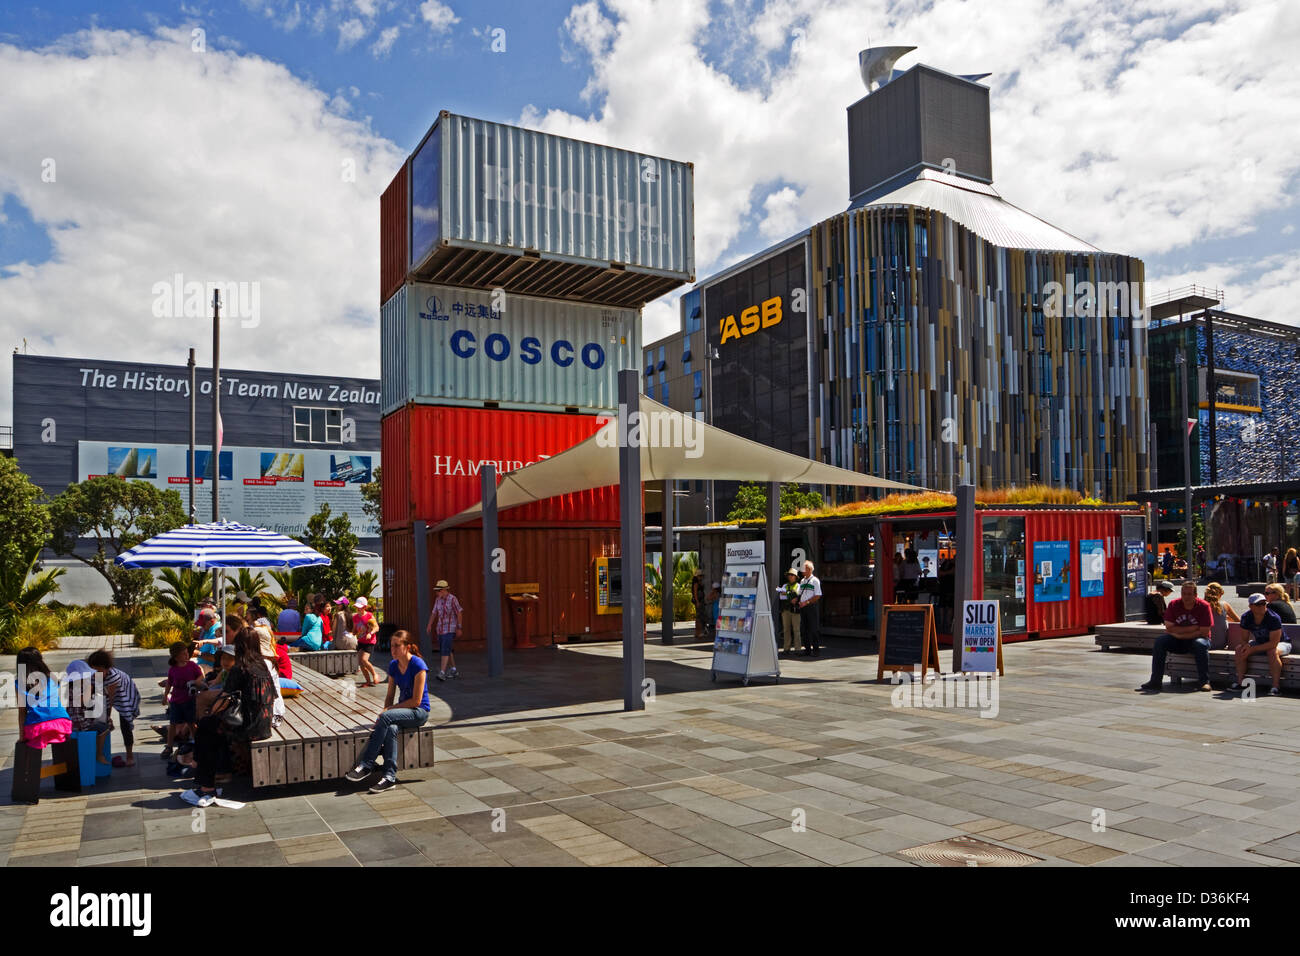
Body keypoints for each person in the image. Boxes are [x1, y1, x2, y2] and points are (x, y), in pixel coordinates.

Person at [180, 627, 278, 806]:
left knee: (205, 729)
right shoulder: (262, 665)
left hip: (248, 727)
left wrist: (210, 715)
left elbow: (224, 698)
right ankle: (219, 769)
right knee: (212, 727)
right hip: (264, 724)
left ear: (239, 645)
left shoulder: (240, 667)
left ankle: (206, 785)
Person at [343, 629, 430, 793]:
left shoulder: (418, 665)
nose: (393, 649)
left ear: (408, 647)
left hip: (419, 712)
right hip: (403, 711)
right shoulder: (393, 666)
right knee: (391, 728)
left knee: (388, 717)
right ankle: (389, 777)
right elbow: (389, 696)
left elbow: (416, 701)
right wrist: (383, 713)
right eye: (391, 646)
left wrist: (388, 711)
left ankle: (366, 764)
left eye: (397, 646)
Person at [1137, 581, 1211, 693]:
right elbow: (1169, 628)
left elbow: (1204, 632)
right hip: (1177, 639)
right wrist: (1193, 628)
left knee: (1200, 644)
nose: (1186, 597)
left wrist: (1181, 633)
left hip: (1197, 639)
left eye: (1189, 594)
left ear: (1195, 595)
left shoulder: (1204, 606)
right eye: (1184, 593)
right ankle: (1155, 681)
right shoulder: (1174, 604)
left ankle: (1204, 682)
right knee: (1160, 642)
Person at [86, 649, 142, 766]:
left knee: (125, 723)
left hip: (125, 693)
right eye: (93, 669)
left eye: (99, 670)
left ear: (107, 668)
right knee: (98, 719)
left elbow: (110, 700)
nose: (96, 672)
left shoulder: (114, 678)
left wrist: (107, 716)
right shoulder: (93, 676)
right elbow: (96, 697)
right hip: (106, 694)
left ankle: (129, 755)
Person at [14, 646, 71, 749]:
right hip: (62, 723)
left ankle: (33, 765)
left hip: (38, 728)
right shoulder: (51, 678)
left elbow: (22, 711)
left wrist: (21, 737)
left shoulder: (20, 684)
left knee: (29, 744)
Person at [1231, 593, 1288, 695]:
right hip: (1260, 643)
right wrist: (1246, 646)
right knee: (1239, 649)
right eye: (1258, 604)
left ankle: (1276, 686)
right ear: (1251, 606)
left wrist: (1252, 649)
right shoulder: (1246, 617)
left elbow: (1273, 643)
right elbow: (1244, 639)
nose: (1262, 606)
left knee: (1272, 652)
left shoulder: (1273, 618)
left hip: (1282, 643)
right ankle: (1241, 682)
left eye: (1264, 603)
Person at [160, 641, 203, 759]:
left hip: (189, 699)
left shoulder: (192, 666)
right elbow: (169, 683)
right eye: (183, 654)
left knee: (191, 722)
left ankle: (197, 743)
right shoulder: (173, 669)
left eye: (186, 653)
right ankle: (169, 746)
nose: (187, 656)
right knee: (173, 723)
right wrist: (165, 696)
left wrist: (196, 682)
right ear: (176, 657)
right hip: (176, 700)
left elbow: (201, 676)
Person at [426, 579, 462, 681]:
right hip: (440, 628)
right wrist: (429, 625)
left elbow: (459, 612)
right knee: (446, 648)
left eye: (438, 591)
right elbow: (434, 613)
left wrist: (459, 627)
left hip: (450, 628)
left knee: (445, 649)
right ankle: (454, 669)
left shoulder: (453, 599)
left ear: (444, 590)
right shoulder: (438, 600)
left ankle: (442, 672)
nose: (437, 593)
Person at [1203, 582, 1239, 650]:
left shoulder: (1201, 605)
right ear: (1220, 594)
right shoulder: (1224, 605)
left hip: (1204, 643)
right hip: (1221, 644)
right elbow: (1238, 620)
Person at [796, 559, 822, 656]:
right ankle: (807, 649)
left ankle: (816, 650)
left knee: (814, 628)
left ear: (810, 569)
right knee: (804, 628)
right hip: (803, 606)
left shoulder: (815, 580)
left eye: (804, 568)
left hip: (811, 606)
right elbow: (799, 593)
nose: (802, 570)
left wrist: (806, 602)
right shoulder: (802, 581)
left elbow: (818, 595)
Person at [352, 596, 379, 687]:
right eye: (357, 607)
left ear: (364, 607)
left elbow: (376, 627)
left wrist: (370, 633)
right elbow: (355, 630)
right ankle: (368, 681)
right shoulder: (355, 617)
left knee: (364, 659)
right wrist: (352, 634)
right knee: (360, 662)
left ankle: (374, 674)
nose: (358, 609)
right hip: (361, 641)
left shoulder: (369, 616)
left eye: (361, 607)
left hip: (369, 641)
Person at [778, 568, 801, 654]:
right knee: (786, 629)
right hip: (786, 610)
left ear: (795, 577)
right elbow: (781, 597)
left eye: (792, 575)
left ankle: (798, 649)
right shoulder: (784, 585)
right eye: (789, 575)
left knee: (796, 630)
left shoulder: (798, 586)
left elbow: (796, 596)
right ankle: (786, 648)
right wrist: (791, 594)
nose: (790, 576)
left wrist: (787, 593)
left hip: (795, 610)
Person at [691, 569, 707, 641]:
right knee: (699, 617)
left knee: (699, 616)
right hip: (699, 601)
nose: (701, 577)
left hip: (700, 600)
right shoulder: (696, 583)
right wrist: (697, 601)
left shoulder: (698, 582)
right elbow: (695, 593)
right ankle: (699, 632)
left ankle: (697, 632)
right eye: (700, 576)